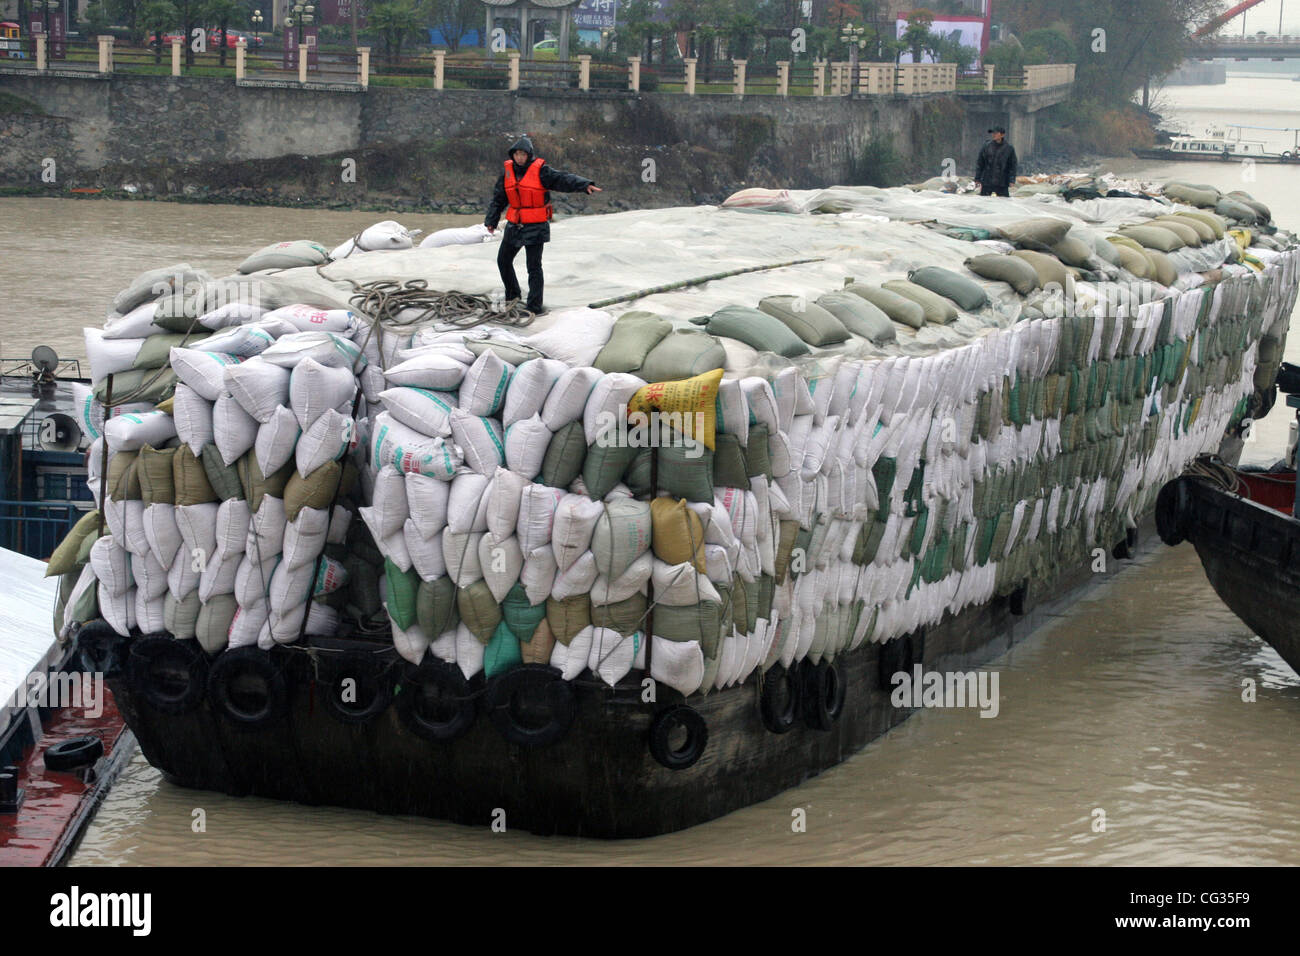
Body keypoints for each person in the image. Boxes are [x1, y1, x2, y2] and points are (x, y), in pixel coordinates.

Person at [484, 135, 601, 315]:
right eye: (517, 154)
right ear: (513, 155)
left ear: (529, 155)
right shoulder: (507, 172)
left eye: (523, 154)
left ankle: (534, 306)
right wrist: (491, 220)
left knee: (534, 267)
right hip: (515, 224)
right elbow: (499, 198)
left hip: (535, 226)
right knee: (503, 260)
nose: (520, 158)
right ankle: (513, 296)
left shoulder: (541, 171)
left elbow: (562, 179)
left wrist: (584, 185)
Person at [974, 126, 1018, 197]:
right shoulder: (986, 146)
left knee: (1003, 203)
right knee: (983, 202)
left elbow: (1012, 166)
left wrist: (1011, 180)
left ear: (1002, 135)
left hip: (1002, 182)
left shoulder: (1009, 148)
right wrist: (977, 178)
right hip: (987, 181)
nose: (993, 135)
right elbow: (980, 163)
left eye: (996, 133)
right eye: (992, 133)